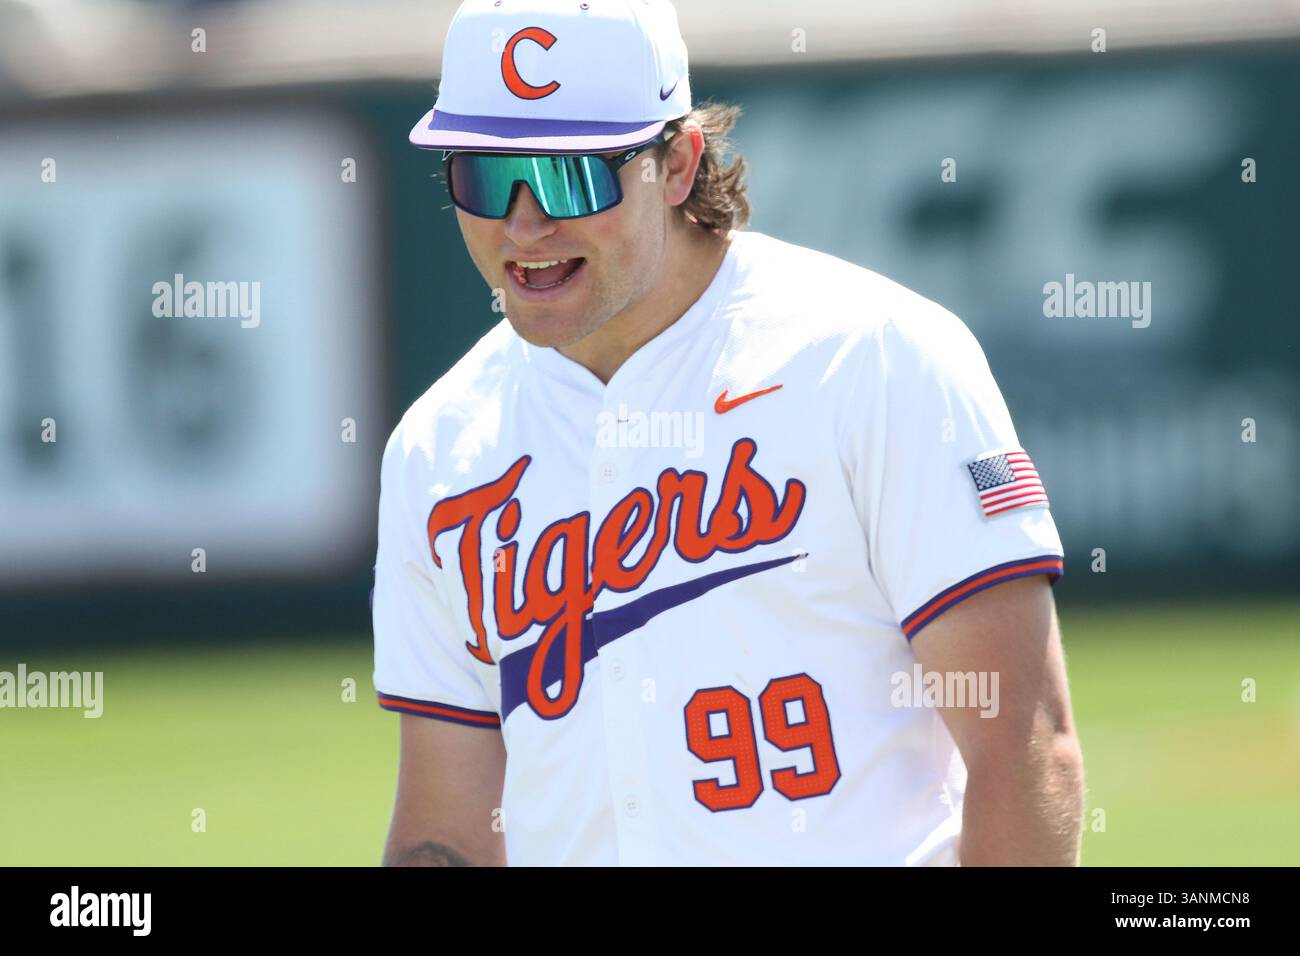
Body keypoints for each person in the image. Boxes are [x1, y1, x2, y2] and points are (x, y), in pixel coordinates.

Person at [373, 0, 1084, 866]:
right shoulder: (438, 446)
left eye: (568, 174)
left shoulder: (875, 358)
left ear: (676, 164)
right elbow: (445, 831)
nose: (524, 223)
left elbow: (1023, 747)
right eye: (484, 175)